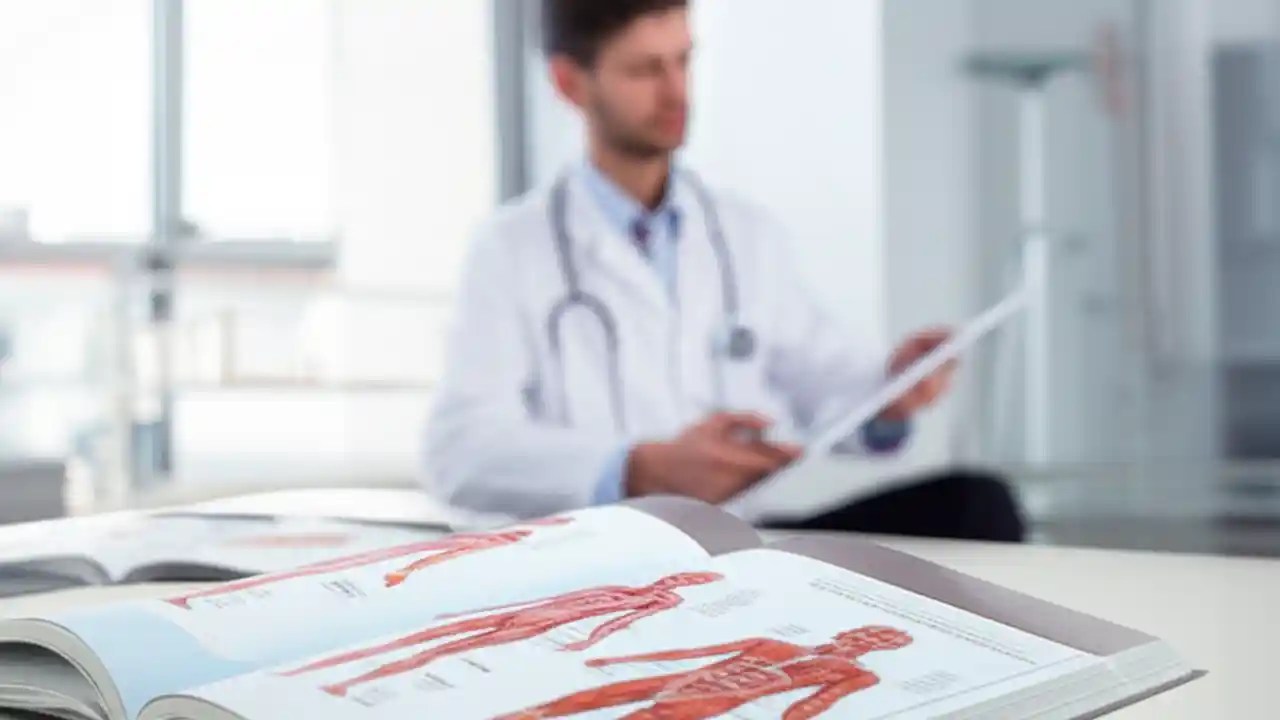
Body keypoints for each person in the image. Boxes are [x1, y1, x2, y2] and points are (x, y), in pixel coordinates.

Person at [425, 0, 1024, 542]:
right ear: (569, 82)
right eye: (644, 70)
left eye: (683, 61)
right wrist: (638, 466)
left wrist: (889, 390)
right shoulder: (511, 249)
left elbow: (825, 381)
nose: (676, 90)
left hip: (743, 539)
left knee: (976, 505)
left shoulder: (743, 233)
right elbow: (460, 451)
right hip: (599, 553)